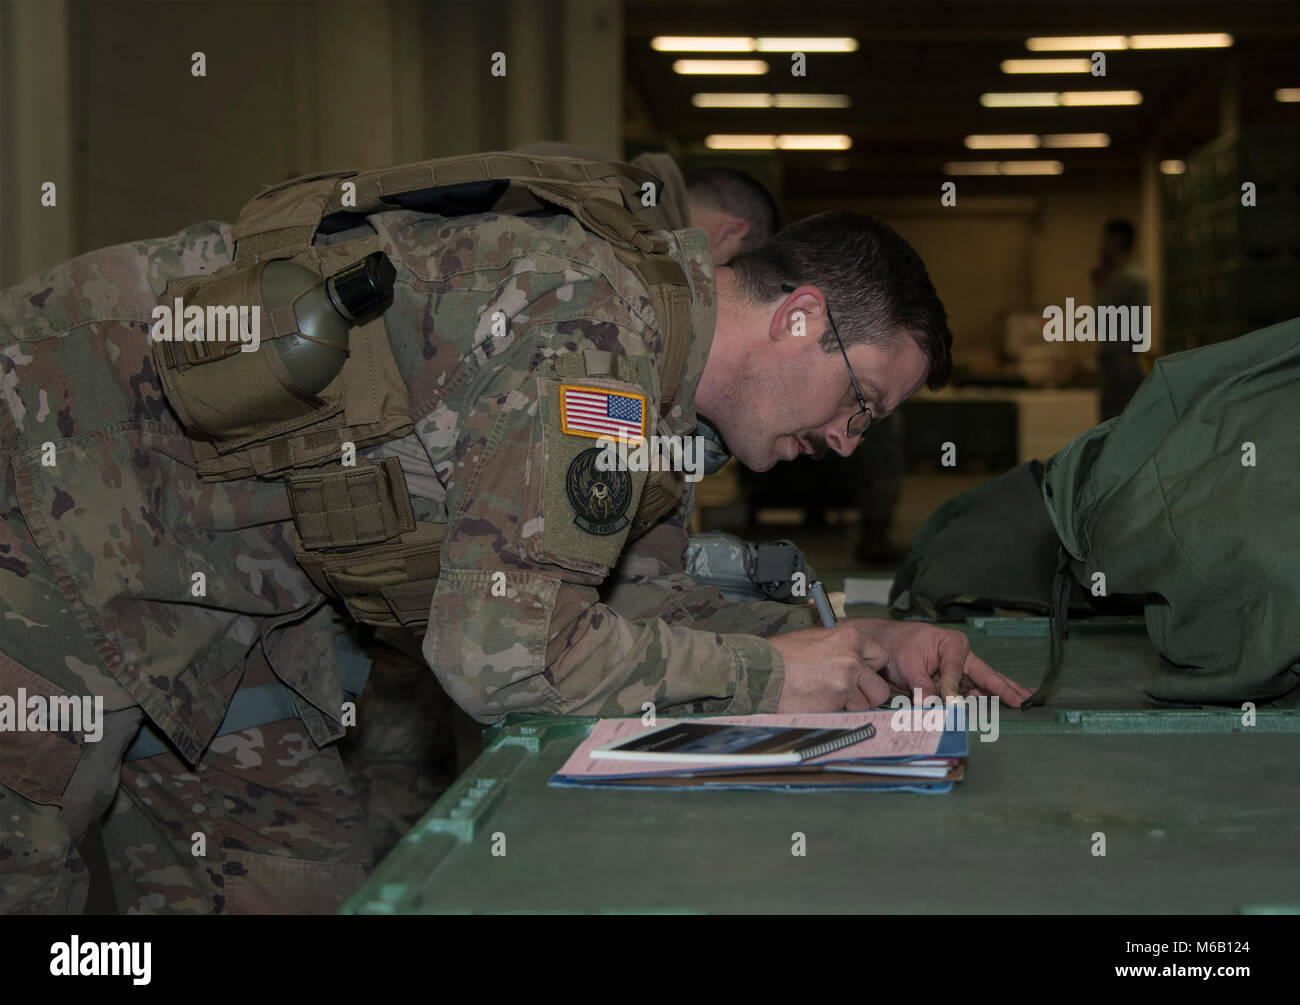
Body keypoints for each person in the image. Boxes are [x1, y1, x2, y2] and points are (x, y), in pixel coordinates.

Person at [0, 152, 1030, 914]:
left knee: (292, 885)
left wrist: (856, 647)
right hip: (52, 499)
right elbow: (498, 654)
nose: (850, 443)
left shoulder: (656, 387)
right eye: (862, 402)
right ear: (800, 315)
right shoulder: (595, 336)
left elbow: (624, 603)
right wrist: (773, 682)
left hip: (225, 588)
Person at [1091, 219, 1150, 420]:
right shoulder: (1133, 277)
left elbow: (1101, 320)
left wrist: (1099, 286)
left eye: (1104, 239)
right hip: (1125, 363)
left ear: (1115, 241)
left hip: (1120, 364)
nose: (1100, 245)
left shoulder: (1126, 279)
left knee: (1114, 425)